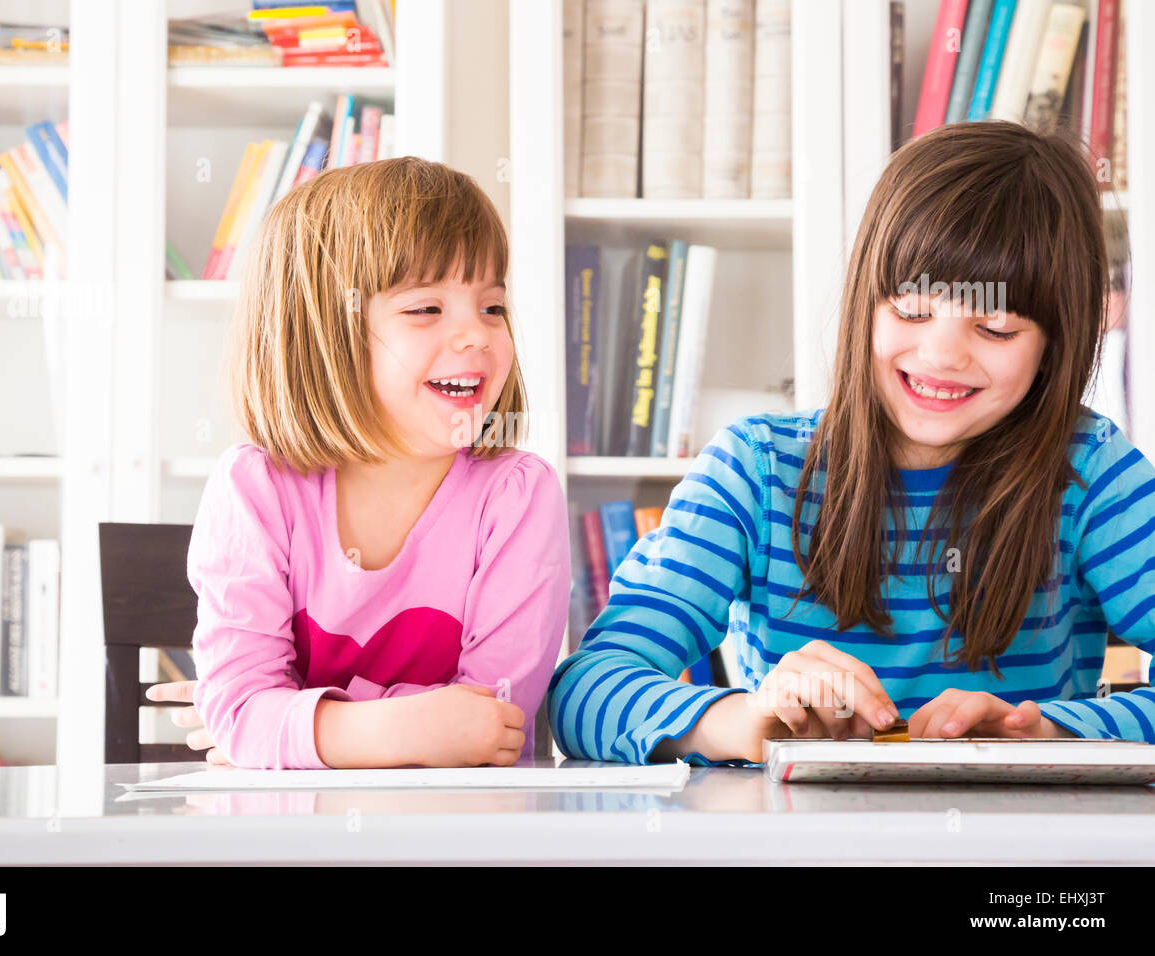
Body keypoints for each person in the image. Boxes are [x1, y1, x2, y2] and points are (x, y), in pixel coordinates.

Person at [546, 120, 1154, 765]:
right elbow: (583, 690)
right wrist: (746, 723)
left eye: (996, 328)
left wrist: (1053, 734)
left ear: (1053, 345)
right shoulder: (756, 469)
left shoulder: (1090, 472)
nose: (941, 354)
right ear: (866, 300)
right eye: (912, 311)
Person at [148, 156, 569, 769]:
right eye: (426, 309)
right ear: (321, 331)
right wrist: (409, 727)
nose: (477, 335)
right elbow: (240, 712)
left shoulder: (517, 495)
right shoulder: (256, 488)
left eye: (493, 307)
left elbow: (492, 725)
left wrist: (291, 729)